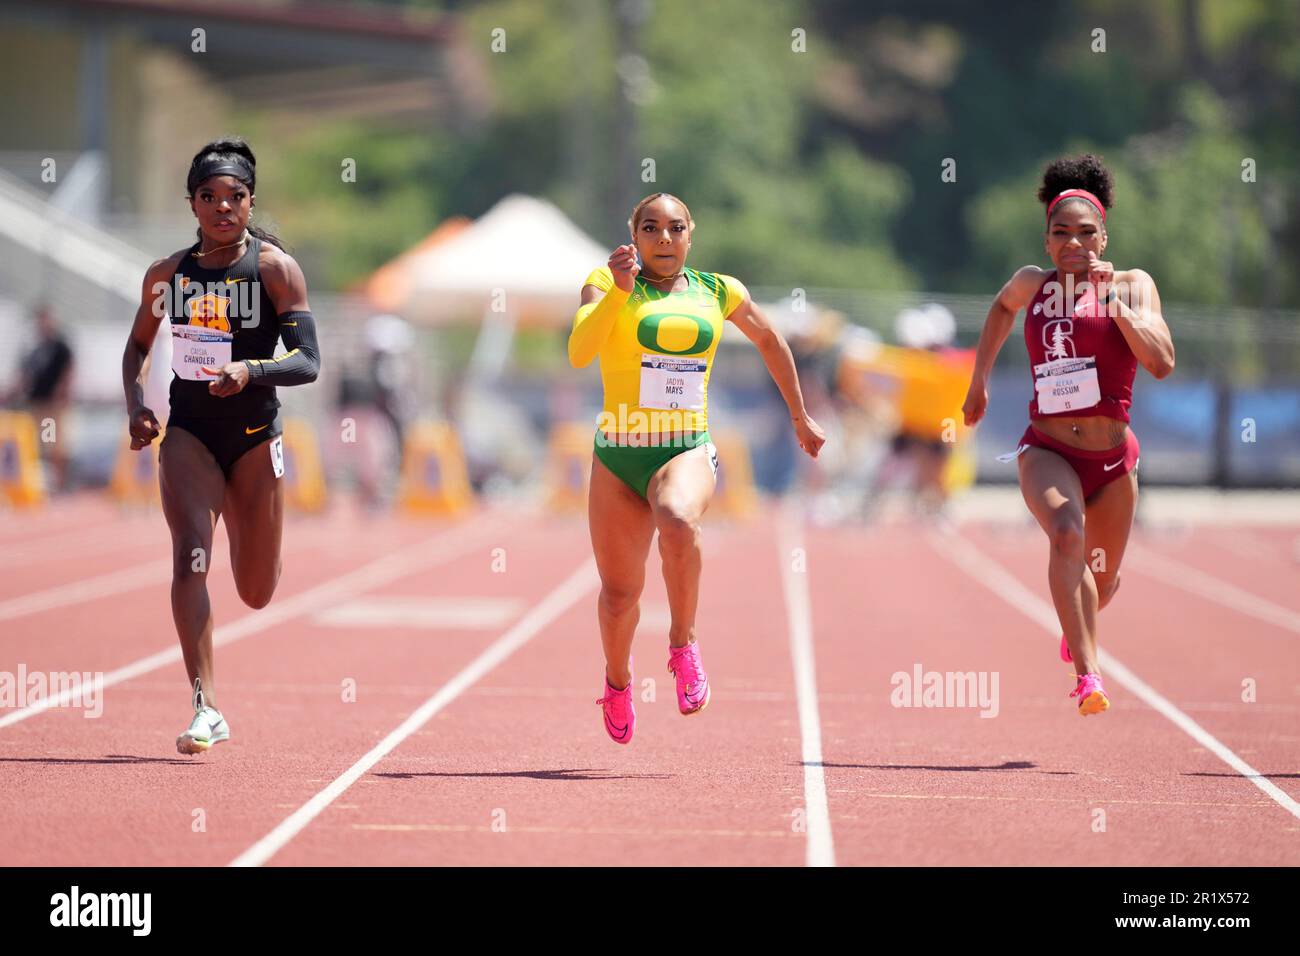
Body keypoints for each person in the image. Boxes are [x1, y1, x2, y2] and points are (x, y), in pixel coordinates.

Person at [570, 192, 825, 744]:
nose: (664, 238)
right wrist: (615, 293)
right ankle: (617, 683)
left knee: (678, 519)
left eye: (675, 228)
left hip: (684, 444)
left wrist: (800, 416)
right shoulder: (604, 280)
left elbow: (768, 338)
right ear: (633, 235)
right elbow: (580, 350)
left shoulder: (719, 290)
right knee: (619, 597)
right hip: (619, 453)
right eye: (651, 228)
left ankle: (682, 644)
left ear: (691, 235)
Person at [121, 137, 320, 753]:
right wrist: (137, 408)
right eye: (208, 197)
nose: (221, 207)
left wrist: (252, 370)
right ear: (193, 204)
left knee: (256, 590)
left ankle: (244, 514)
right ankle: (206, 705)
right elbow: (137, 348)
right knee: (189, 557)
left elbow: (308, 360)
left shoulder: (274, 270)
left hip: (257, 439)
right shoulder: (167, 275)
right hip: (190, 435)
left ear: (249, 200)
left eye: (233, 197)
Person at [962, 154, 1174, 716]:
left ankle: (1079, 619)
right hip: (1049, 448)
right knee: (1065, 535)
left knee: (1101, 583)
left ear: (1104, 236)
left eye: (1086, 233)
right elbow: (1001, 310)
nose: (1074, 244)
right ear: (1047, 240)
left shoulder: (1133, 284)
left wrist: (1114, 305)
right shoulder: (1033, 284)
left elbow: (1161, 362)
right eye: (1062, 234)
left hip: (1113, 460)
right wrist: (979, 379)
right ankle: (1088, 676)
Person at [19, 305, 74, 491]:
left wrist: (61, 393)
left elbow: (68, 371)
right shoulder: (35, 349)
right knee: (41, 444)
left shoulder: (60, 346)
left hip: (52, 405)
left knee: (52, 444)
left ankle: (57, 485)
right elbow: (27, 376)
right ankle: (45, 483)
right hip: (38, 403)